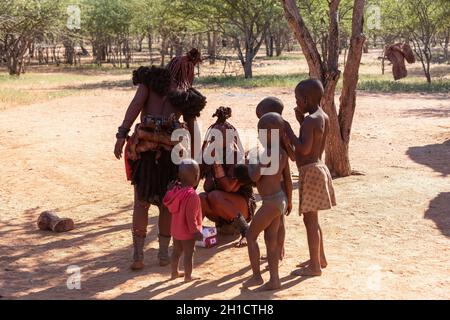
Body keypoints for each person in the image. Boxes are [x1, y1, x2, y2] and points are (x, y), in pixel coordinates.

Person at [114, 66, 206, 270]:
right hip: (171, 155)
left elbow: (135, 106)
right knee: (167, 204)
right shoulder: (185, 93)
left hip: (148, 154)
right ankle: (163, 254)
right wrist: (194, 160)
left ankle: (138, 255)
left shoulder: (149, 83)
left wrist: (122, 135)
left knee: (141, 202)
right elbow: (191, 126)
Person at [284, 78, 336, 277]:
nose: (296, 103)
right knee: (313, 219)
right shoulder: (322, 116)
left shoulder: (310, 121)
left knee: (310, 222)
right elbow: (313, 141)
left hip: (311, 172)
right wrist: (300, 122)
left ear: (305, 100)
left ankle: (314, 267)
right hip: (318, 168)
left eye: (297, 99)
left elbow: (304, 148)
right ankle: (319, 258)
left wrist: (288, 129)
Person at [244, 113, 292, 291]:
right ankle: (274, 279)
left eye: (260, 132)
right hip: (279, 200)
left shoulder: (268, 154)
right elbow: (283, 178)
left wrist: (249, 162)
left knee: (250, 236)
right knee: (270, 240)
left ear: (270, 134)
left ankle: (257, 277)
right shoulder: (282, 153)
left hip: (270, 203)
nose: (258, 136)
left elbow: (255, 176)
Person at [199, 107, 256, 247]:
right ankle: (196, 233)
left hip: (242, 208)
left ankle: (246, 231)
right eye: (214, 136)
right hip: (221, 212)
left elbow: (228, 187)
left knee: (214, 196)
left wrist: (216, 162)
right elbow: (195, 181)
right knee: (199, 198)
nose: (216, 139)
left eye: (221, 136)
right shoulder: (208, 156)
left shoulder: (236, 156)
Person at [255, 97, 294, 263]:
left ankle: (279, 249)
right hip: (273, 176)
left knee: (280, 219)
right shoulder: (271, 129)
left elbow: (292, 156)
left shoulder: (282, 128)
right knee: (276, 219)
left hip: (280, 176)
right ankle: (275, 250)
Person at [163, 159, 203, 282]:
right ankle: (188, 276)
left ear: (179, 176)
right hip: (187, 232)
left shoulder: (175, 191)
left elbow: (167, 201)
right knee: (188, 253)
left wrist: (169, 191)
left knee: (176, 252)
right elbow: (190, 217)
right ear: (196, 177)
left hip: (175, 230)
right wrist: (195, 231)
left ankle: (174, 273)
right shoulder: (192, 195)